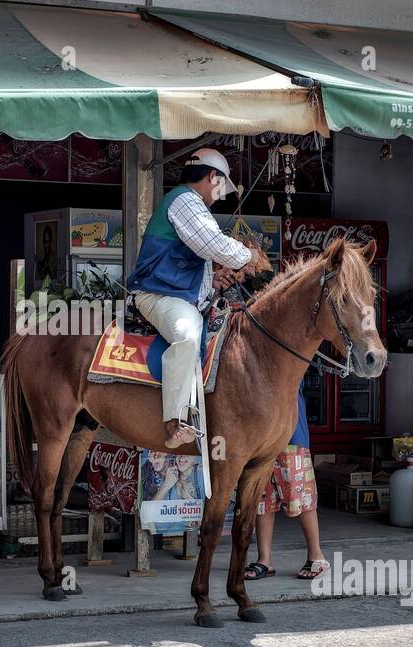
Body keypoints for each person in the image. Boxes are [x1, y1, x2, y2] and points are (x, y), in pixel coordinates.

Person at [127, 148, 264, 449]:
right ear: (212, 177)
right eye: (220, 186)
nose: (219, 194)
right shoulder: (186, 201)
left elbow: (198, 262)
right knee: (188, 334)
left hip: (176, 295)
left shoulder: (191, 205)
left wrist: (212, 282)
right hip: (156, 295)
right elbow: (212, 245)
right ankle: (176, 421)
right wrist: (248, 255)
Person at [245, 383, 327, 581]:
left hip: (290, 433)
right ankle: (265, 560)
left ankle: (317, 556)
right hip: (261, 437)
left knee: (301, 495)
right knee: (262, 499)